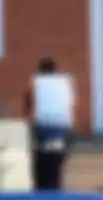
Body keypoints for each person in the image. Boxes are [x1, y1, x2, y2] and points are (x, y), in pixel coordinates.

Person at [27, 57, 75, 191]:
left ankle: (41, 187)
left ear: (40, 70)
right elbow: (71, 104)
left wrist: (29, 119)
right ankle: (56, 185)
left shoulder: (36, 81)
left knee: (40, 161)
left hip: (43, 125)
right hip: (63, 126)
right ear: (56, 70)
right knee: (58, 161)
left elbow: (31, 102)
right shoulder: (66, 81)